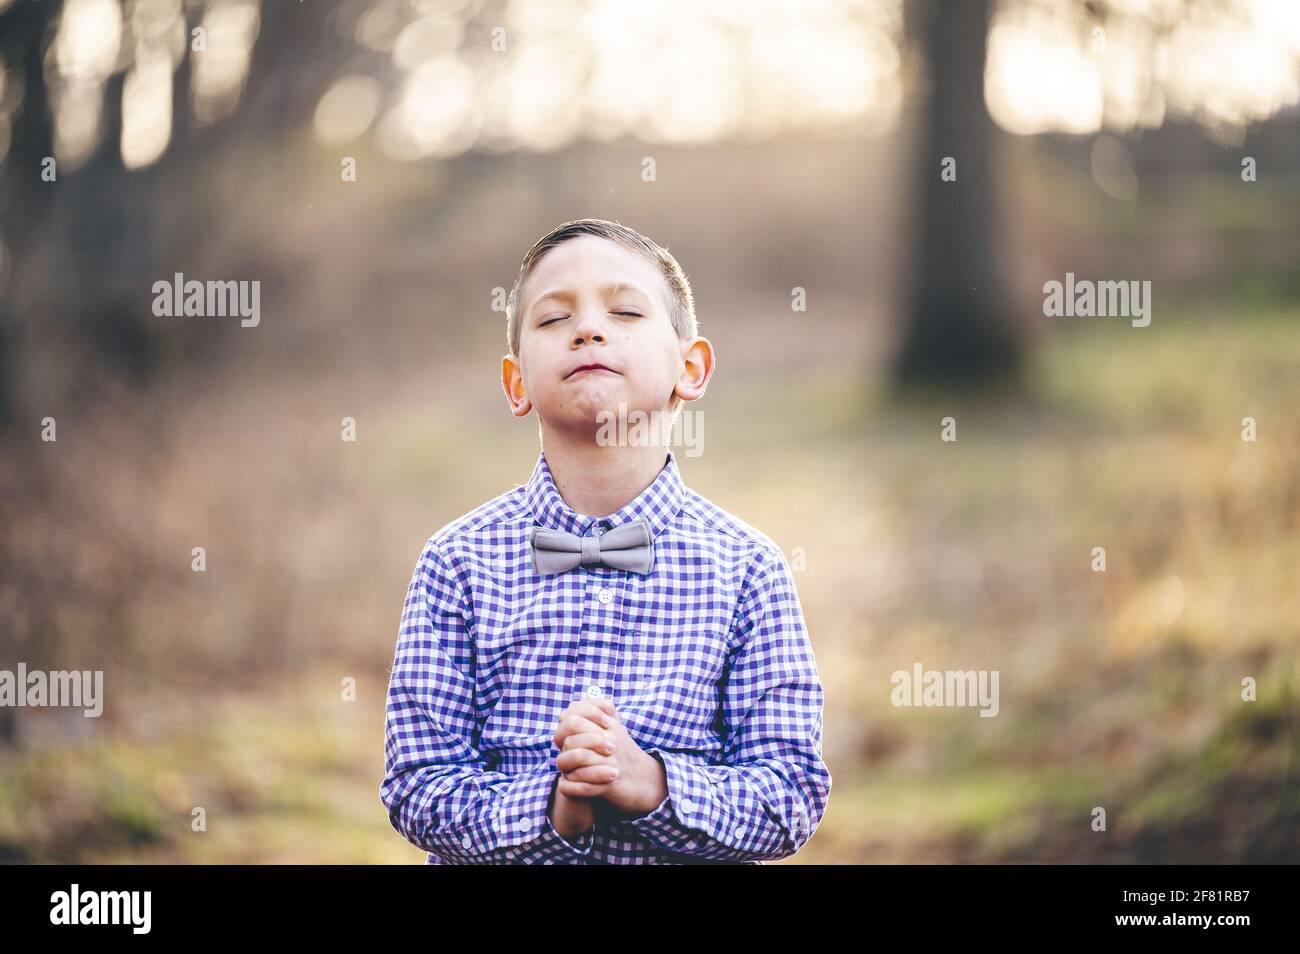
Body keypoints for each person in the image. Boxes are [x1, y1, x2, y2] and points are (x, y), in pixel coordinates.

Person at [379, 218, 831, 864]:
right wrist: (551, 808)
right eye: (553, 319)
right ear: (515, 384)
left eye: (623, 311)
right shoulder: (457, 562)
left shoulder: (748, 568)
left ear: (691, 367)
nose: (588, 330)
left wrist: (648, 783)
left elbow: (788, 796)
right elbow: (418, 785)